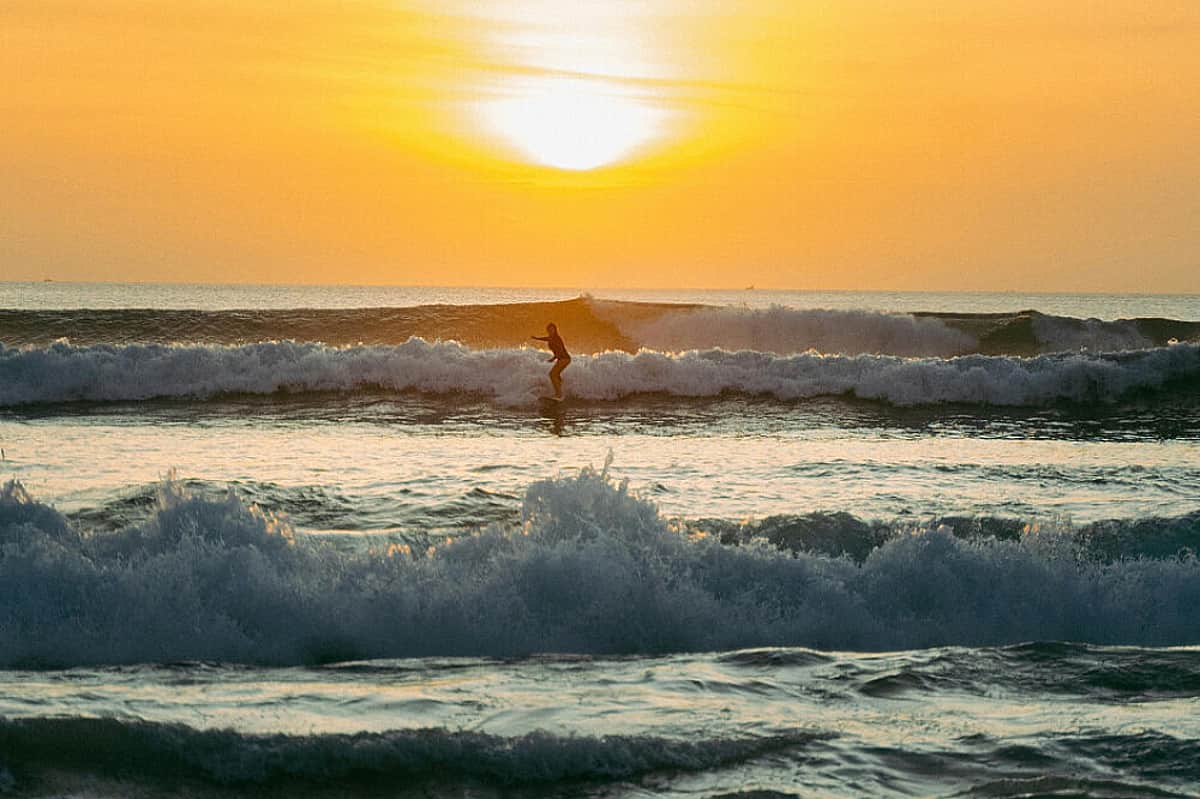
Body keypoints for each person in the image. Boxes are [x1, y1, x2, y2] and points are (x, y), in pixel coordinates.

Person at [531, 322, 570, 398]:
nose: (551, 331)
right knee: (556, 375)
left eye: (552, 329)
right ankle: (562, 391)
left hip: (565, 358)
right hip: (562, 359)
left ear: (555, 330)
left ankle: (558, 394)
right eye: (549, 330)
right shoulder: (550, 338)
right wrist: (536, 338)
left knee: (552, 374)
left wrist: (554, 358)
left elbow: (561, 349)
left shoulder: (557, 338)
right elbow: (545, 338)